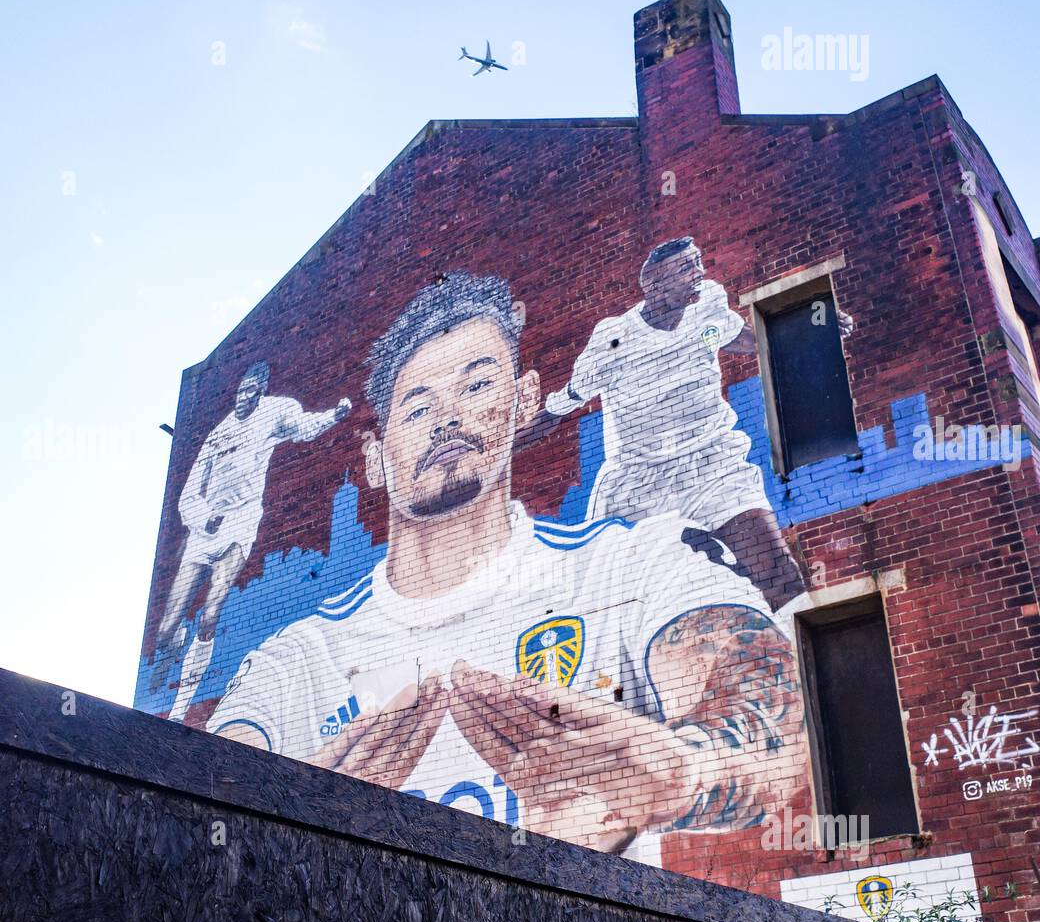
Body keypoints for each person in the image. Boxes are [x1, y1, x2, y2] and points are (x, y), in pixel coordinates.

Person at [207, 274, 807, 863]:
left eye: (476, 386)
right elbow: (197, 803)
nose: (447, 419)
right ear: (374, 457)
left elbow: (765, 703)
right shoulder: (298, 659)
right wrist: (278, 821)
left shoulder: (632, 563)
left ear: (522, 402)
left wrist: (681, 770)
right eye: (417, 409)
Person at [543, 236, 852, 613]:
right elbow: (565, 402)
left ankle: (798, 644)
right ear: (654, 285)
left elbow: (738, 338)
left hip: (712, 464)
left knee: (779, 574)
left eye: (698, 263)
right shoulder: (613, 340)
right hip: (639, 482)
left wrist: (804, 328)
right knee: (625, 606)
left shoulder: (708, 302)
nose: (699, 273)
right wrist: (509, 437)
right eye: (686, 268)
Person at [151, 361, 352, 722]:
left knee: (212, 612)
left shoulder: (275, 411)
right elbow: (187, 496)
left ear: (261, 392)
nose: (246, 397)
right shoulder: (218, 433)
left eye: (252, 392)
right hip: (203, 531)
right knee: (165, 631)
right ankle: (177, 637)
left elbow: (304, 426)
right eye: (242, 391)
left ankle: (180, 710)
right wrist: (203, 517)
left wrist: (334, 416)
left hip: (240, 523)